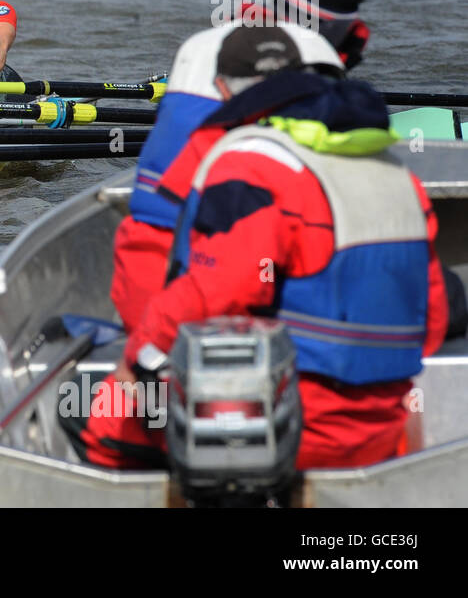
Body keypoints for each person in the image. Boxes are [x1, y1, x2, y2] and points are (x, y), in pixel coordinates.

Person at [75, 25, 448, 471]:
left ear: (220, 89)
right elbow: (433, 319)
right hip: (382, 430)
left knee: (106, 420)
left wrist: (134, 366)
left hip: (293, 423)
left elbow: (214, 291)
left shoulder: (254, 164)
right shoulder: (394, 172)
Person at [112, 0, 361, 333]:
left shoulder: (201, 42)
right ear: (339, 29)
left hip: (137, 273)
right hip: (213, 285)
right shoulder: (316, 59)